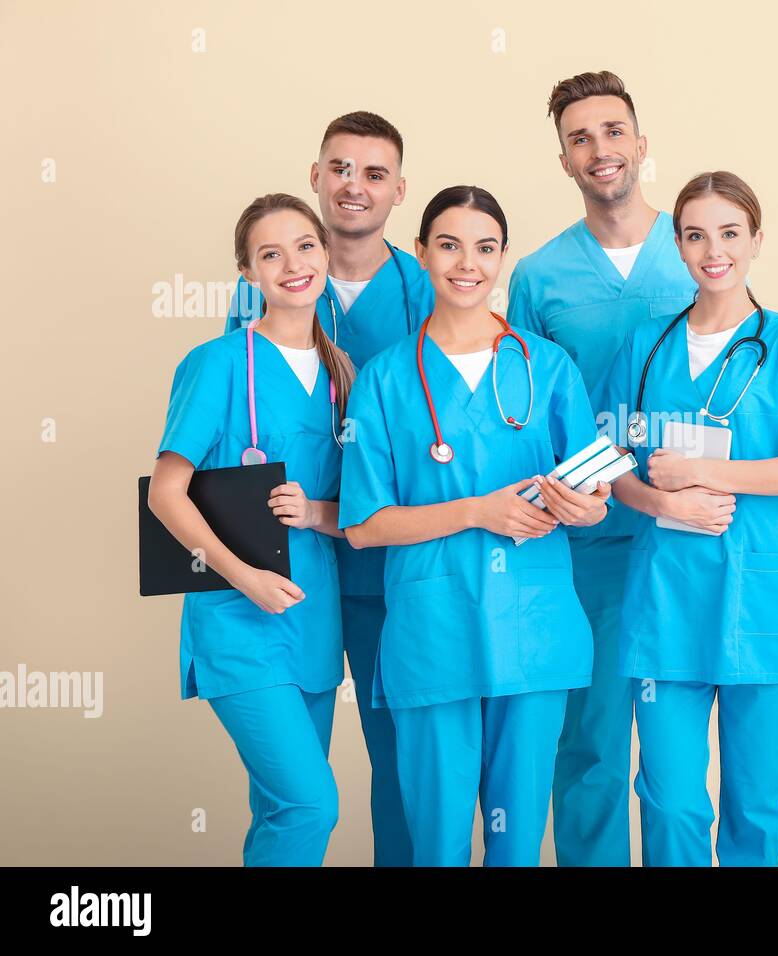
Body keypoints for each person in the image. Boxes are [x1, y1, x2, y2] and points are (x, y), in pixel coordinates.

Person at [592, 172, 778, 866]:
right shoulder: (646, 347)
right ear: (678, 247)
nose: (713, 250)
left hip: (759, 604)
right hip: (666, 605)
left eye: (729, 233)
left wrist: (701, 471)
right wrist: (658, 499)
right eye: (694, 235)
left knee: (753, 809)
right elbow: (609, 464)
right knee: (671, 802)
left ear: (756, 241)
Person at [339, 186, 610, 866]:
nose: (468, 264)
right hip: (434, 634)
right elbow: (364, 526)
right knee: (435, 842)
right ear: (424, 253)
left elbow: (593, 495)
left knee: (515, 843)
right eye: (450, 245)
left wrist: (588, 507)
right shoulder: (385, 378)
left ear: (502, 259)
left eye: (485, 248)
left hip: (533, 629)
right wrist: (476, 511)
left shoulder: (547, 368)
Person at [506, 70, 722, 867]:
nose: (601, 150)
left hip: (686, 538)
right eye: (580, 137)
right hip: (587, 541)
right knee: (590, 744)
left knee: (675, 764)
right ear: (564, 159)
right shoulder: (539, 276)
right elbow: (526, 413)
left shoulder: (699, 248)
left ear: (641, 141)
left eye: (613, 130)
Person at [224, 111, 432, 867]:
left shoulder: (426, 288)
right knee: (294, 783)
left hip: (389, 567)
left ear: (399, 190)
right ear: (316, 178)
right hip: (290, 569)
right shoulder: (264, 286)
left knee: (403, 764)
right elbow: (234, 421)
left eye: (374, 173)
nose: (354, 186)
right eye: (340, 168)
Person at [149, 193, 354, 866]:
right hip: (238, 619)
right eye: (271, 254)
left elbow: (346, 506)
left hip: (314, 618)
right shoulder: (216, 364)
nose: (292, 265)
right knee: (309, 805)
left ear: (326, 253)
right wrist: (246, 578)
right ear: (248, 273)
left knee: (277, 809)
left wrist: (318, 514)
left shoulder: (341, 372)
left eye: (304, 246)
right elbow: (165, 495)